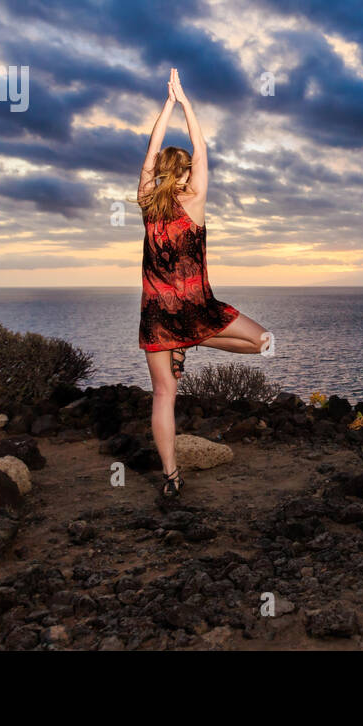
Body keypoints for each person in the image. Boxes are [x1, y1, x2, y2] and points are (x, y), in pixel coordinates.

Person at [137, 68, 269, 497]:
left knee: (163, 396)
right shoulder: (193, 201)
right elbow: (202, 146)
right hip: (195, 310)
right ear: (187, 173)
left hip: (156, 317)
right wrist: (186, 102)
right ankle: (198, 340)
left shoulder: (145, 200)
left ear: (158, 172)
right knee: (264, 342)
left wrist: (167, 105)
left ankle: (171, 478)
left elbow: (152, 149)